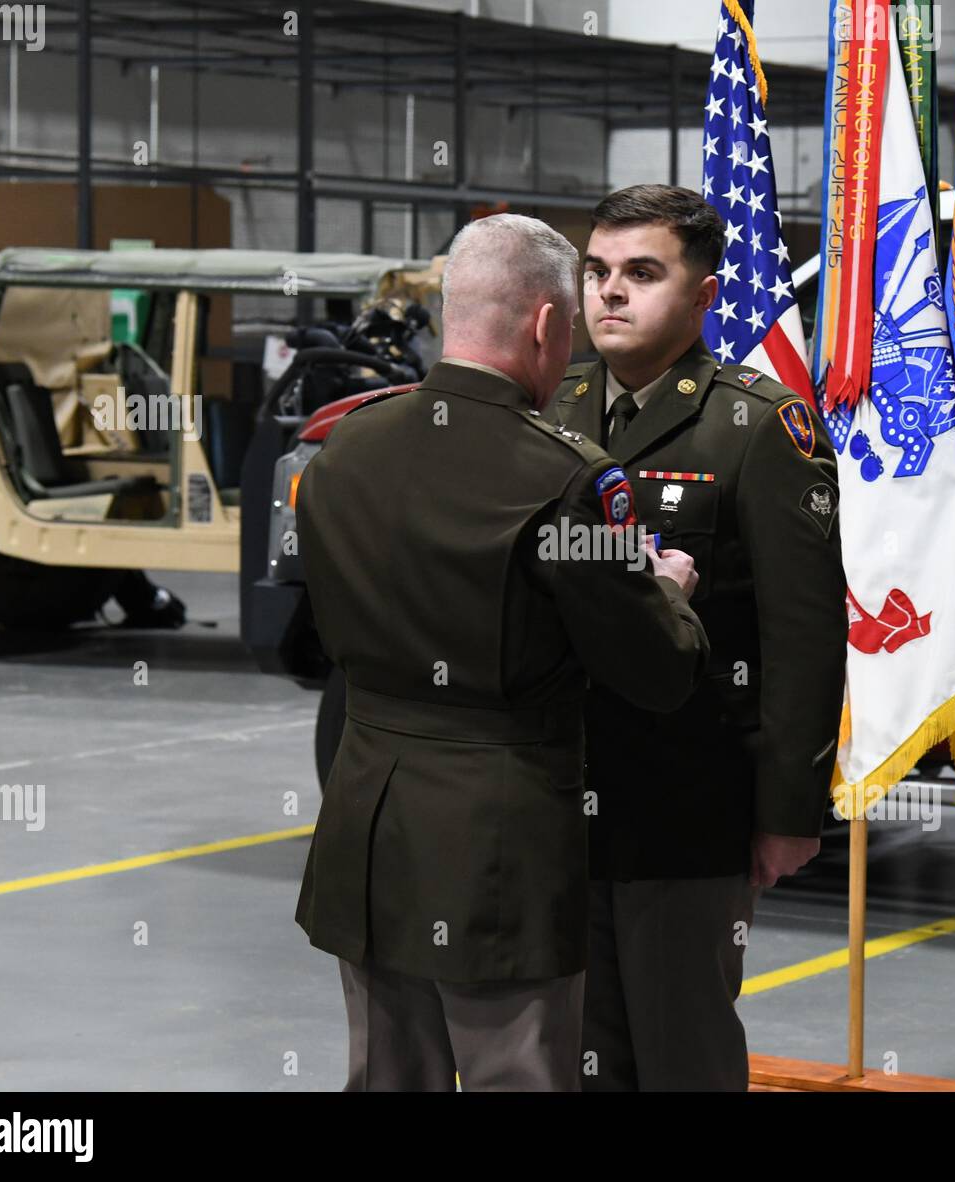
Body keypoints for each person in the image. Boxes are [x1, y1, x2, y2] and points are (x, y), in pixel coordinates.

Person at [292, 212, 710, 1092]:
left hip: (368, 827)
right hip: (497, 850)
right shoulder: (565, 478)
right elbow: (656, 671)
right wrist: (667, 591)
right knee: (515, 1075)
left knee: (385, 1075)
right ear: (550, 326)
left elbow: (315, 639)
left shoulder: (341, 451)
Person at [545, 184, 848, 1091]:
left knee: (681, 1051)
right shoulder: (550, 407)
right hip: (557, 793)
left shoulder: (759, 427)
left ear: (706, 295)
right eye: (596, 271)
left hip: (688, 800)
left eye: (641, 273)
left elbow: (805, 632)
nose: (609, 294)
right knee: (580, 1053)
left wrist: (789, 811)